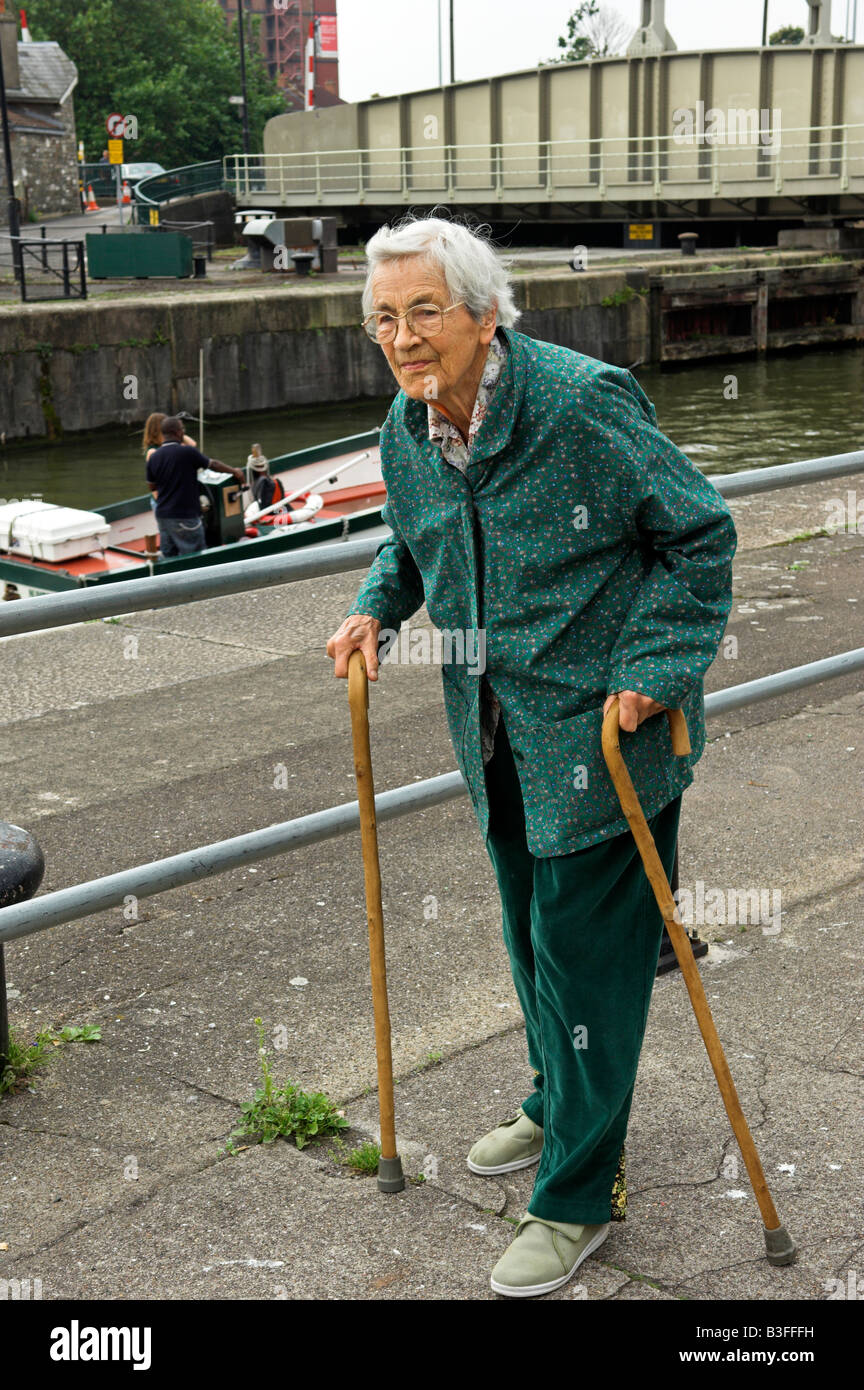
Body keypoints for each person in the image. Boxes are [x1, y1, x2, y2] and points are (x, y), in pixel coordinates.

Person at [326, 214, 737, 1299]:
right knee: (530, 936)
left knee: (587, 955)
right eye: (382, 319)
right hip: (496, 733)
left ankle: (578, 1195)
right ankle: (559, 1094)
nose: (402, 337)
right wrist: (378, 608)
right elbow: (413, 536)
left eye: (422, 311)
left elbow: (698, 533)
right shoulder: (408, 426)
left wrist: (655, 666)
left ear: (482, 312)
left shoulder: (579, 401)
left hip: (605, 736)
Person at [146, 416, 244, 558]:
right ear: (177, 432)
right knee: (195, 556)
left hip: (163, 516)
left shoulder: (154, 457)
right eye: (182, 430)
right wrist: (234, 471)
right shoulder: (187, 452)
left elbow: (152, 486)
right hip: (185, 516)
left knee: (169, 557)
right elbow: (213, 465)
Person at [142, 412, 197, 511]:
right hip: (165, 501)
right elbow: (154, 482)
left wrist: (179, 432)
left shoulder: (172, 443)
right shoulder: (153, 451)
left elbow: (192, 445)